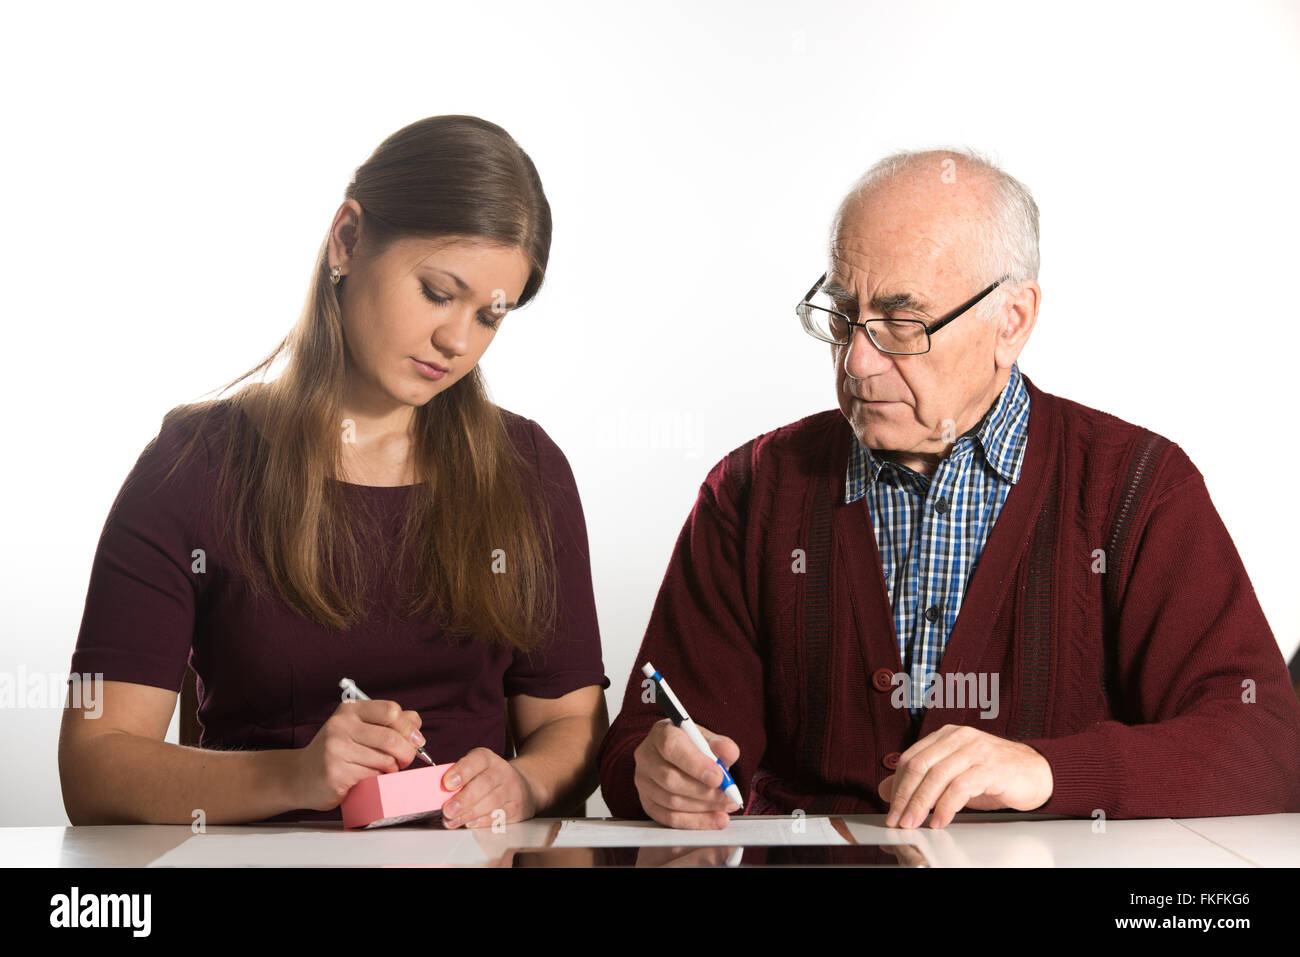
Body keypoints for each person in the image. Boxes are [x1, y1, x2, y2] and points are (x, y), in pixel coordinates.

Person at [597, 148, 1300, 829]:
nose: (858, 362)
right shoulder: (750, 491)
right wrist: (656, 773)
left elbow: (1266, 745)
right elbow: (643, 741)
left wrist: (1045, 771)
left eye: (902, 324)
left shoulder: (1136, 488)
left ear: (1012, 321)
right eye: (843, 315)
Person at [60, 115, 610, 827]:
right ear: (347, 239)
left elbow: (569, 727)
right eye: (438, 293)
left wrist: (525, 786)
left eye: (491, 316)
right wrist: (295, 775)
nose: (457, 340)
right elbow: (97, 762)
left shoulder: (526, 469)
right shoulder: (194, 464)